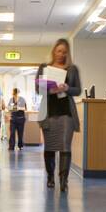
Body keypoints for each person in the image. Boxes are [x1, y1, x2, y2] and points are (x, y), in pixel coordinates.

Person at [35, 38, 81, 192]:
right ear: (54, 50)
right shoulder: (44, 67)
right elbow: (37, 88)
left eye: (64, 52)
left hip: (66, 112)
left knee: (65, 146)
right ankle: (50, 177)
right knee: (50, 146)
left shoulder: (72, 69)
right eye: (59, 51)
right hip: (49, 112)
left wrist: (67, 88)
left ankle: (63, 180)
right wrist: (50, 89)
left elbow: (78, 90)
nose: (61, 54)